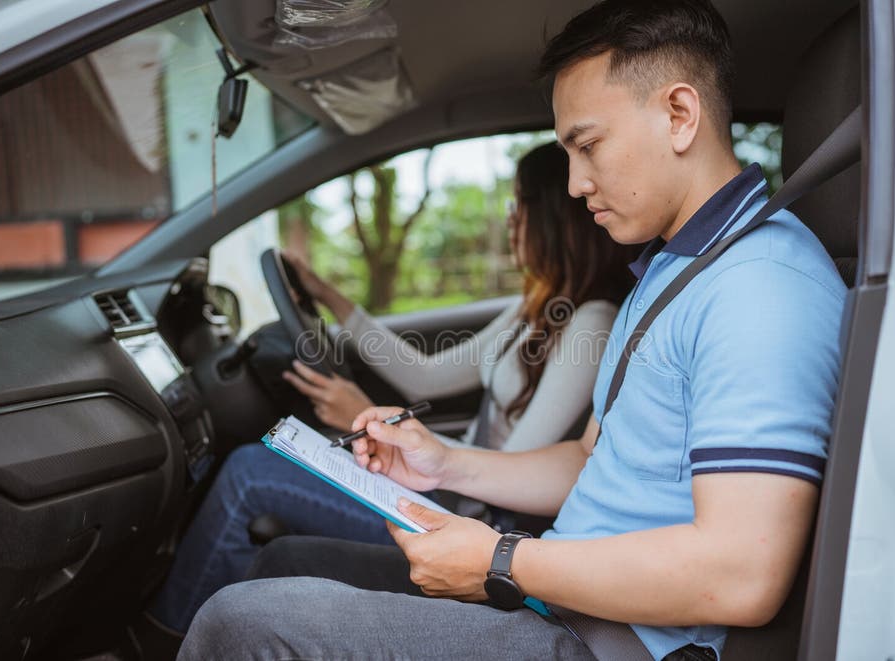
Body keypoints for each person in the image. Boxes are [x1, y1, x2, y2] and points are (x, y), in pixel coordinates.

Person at [179, 0, 848, 659]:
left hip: (606, 639)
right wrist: (444, 462)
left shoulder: (762, 286)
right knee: (285, 563)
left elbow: (741, 574)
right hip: (566, 595)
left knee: (240, 623)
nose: (578, 184)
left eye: (588, 146)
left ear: (679, 114)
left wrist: (502, 558)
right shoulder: (677, 270)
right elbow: (590, 462)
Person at [146, 142, 636, 636]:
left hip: (473, 515)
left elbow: (523, 460)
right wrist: (328, 297)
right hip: (457, 490)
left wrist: (366, 414)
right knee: (264, 466)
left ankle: (167, 636)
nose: (511, 222)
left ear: (554, 219)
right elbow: (426, 374)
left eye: (520, 207)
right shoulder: (537, 304)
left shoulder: (592, 322)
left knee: (250, 473)